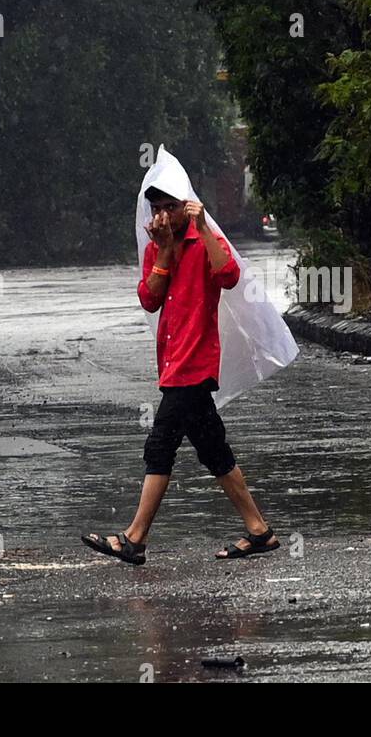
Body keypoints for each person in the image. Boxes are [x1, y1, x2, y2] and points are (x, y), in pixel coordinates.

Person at [83, 182, 281, 565]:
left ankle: (134, 538)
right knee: (214, 451)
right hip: (173, 362)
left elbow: (230, 276)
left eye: (169, 207)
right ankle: (259, 530)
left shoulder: (203, 239)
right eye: (156, 208)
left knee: (160, 447)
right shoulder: (160, 245)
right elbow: (149, 298)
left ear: (185, 206)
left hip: (195, 364)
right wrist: (166, 251)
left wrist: (203, 229)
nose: (162, 215)